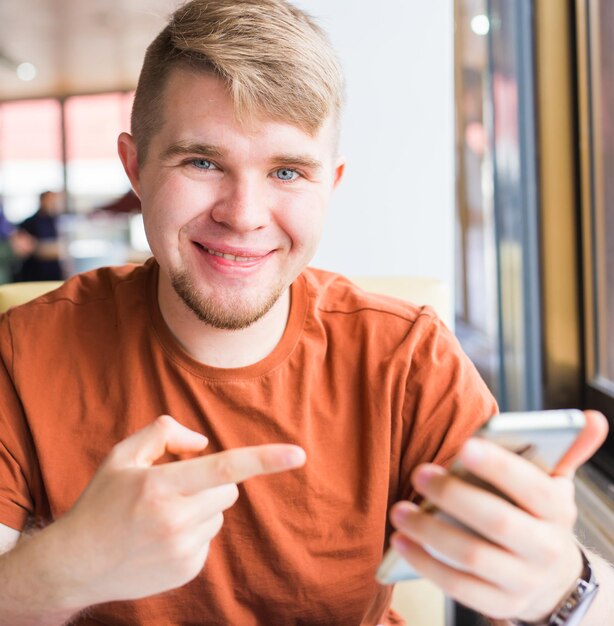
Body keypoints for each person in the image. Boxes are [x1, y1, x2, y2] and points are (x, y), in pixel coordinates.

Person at [0, 1, 611, 625]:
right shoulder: (25, 350)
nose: (244, 214)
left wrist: (561, 585)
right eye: (202, 162)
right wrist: (69, 563)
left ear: (331, 186)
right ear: (135, 168)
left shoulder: (404, 357)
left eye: (287, 171)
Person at [10, 190, 64, 281]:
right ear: (42, 201)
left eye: (55, 201)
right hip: (35, 271)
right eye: (50, 200)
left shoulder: (56, 221)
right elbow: (21, 246)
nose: (53, 204)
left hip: (53, 271)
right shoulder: (29, 222)